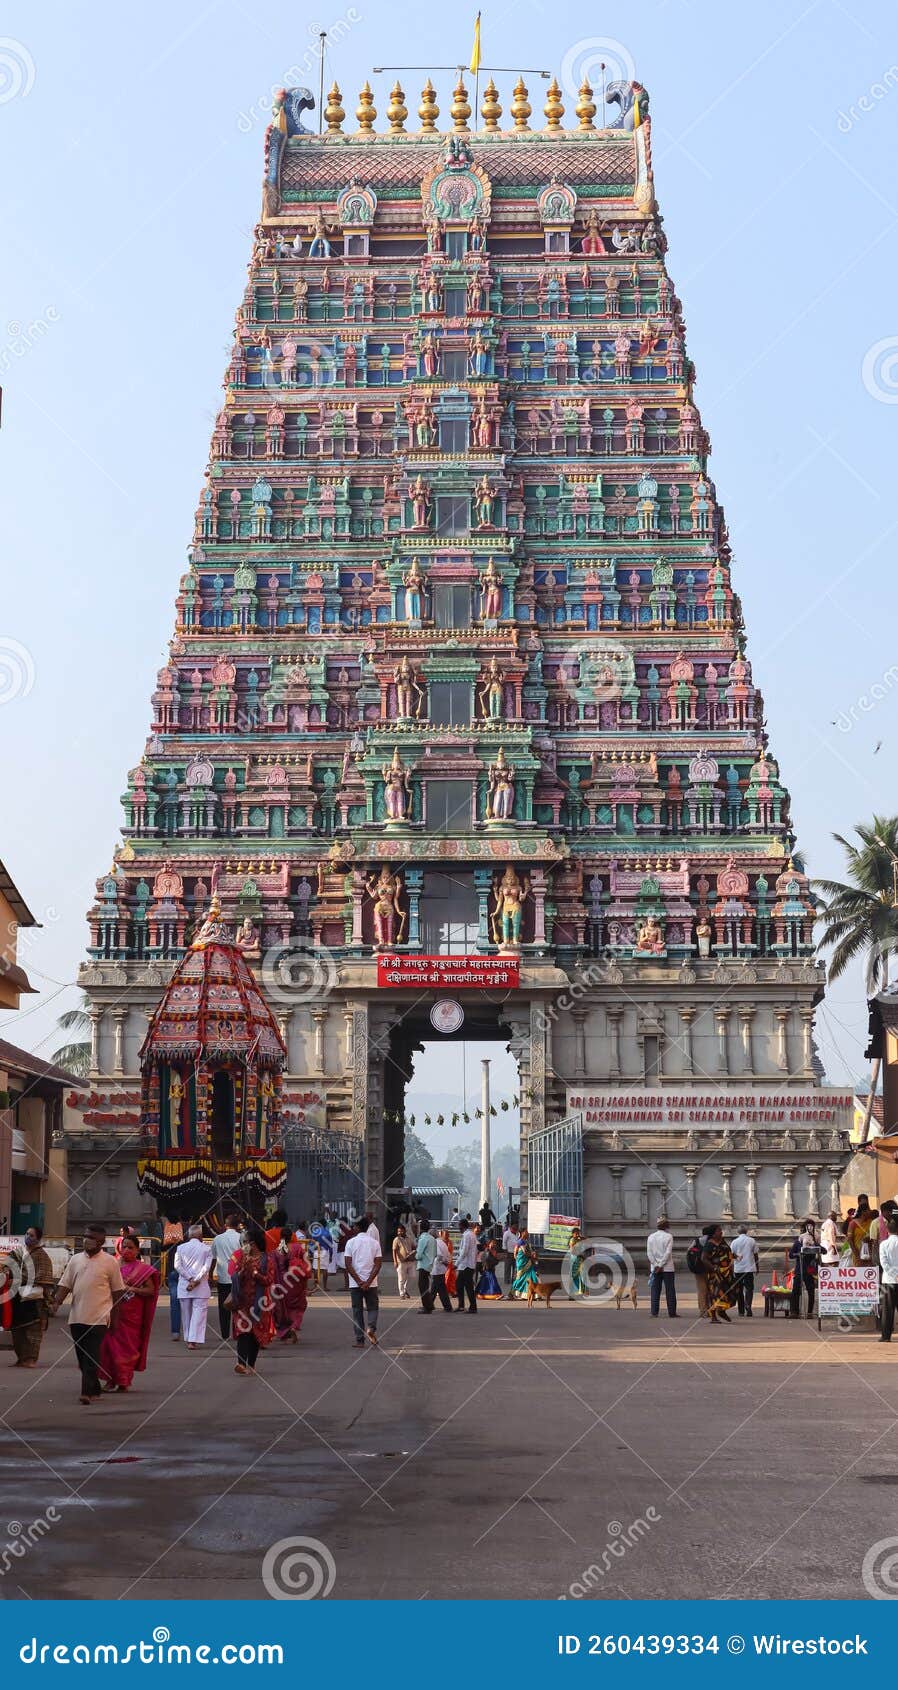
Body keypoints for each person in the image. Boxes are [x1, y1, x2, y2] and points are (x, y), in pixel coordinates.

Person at [49, 1225, 125, 1404]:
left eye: (91, 1237)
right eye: (85, 1236)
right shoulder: (75, 1260)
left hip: (99, 1318)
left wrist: (115, 1319)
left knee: (91, 1354)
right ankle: (95, 1388)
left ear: (101, 1241)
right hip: (77, 1317)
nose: (86, 1240)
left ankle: (86, 1393)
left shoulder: (110, 1262)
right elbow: (65, 1284)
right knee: (82, 1356)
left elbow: (118, 1292)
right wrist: (56, 1302)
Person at [98, 1233, 160, 1392]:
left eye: (130, 1247)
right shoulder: (112, 1265)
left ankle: (123, 1381)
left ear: (137, 1250)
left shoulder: (143, 1270)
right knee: (108, 1347)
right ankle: (110, 1381)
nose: (126, 1250)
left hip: (132, 1316)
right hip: (111, 1312)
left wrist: (131, 1289)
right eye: (124, 1246)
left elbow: (150, 1290)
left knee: (125, 1349)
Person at [6, 1225, 54, 1367]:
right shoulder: (18, 1252)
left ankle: (31, 1359)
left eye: (31, 1235)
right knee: (17, 1329)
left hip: (34, 1300)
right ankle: (21, 1358)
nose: (28, 1237)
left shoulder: (41, 1256)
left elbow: (43, 1277)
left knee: (33, 1331)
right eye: (27, 1234)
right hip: (17, 1298)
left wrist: (16, 1280)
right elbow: (7, 1266)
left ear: (38, 1238)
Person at [231, 1225, 276, 1375]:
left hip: (259, 1303)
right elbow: (235, 1276)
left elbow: (268, 1280)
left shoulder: (266, 1260)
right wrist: (243, 1271)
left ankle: (251, 1364)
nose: (245, 1245)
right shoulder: (243, 1258)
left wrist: (255, 1273)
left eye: (247, 1242)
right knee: (243, 1331)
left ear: (254, 1243)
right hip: (242, 1302)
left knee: (255, 1333)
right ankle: (240, 1363)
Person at [174, 1224, 213, 1348]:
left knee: (186, 1314)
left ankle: (189, 1338)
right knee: (198, 1313)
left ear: (189, 1235)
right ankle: (193, 1340)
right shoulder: (207, 1249)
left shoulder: (180, 1248)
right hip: (200, 1286)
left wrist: (190, 1278)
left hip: (185, 1285)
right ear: (201, 1236)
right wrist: (196, 1280)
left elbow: (177, 1266)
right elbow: (206, 1268)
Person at [344, 1221, 381, 1347]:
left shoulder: (351, 1242)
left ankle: (360, 1340)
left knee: (357, 1310)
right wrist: (368, 1281)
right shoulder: (374, 1243)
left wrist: (359, 1281)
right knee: (373, 1307)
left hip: (355, 1284)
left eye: (354, 1226)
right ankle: (371, 1328)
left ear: (358, 1228)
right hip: (371, 1283)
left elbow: (348, 1264)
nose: (353, 1228)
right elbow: (378, 1264)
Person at [275, 1227, 313, 1343]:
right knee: (300, 1306)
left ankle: (284, 1332)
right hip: (296, 1281)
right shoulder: (298, 1247)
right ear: (292, 1237)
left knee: (284, 1308)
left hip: (282, 1282)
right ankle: (294, 1326)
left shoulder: (278, 1250)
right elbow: (306, 1263)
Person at [211, 1212, 242, 1341]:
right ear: (238, 1226)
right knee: (238, 1305)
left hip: (223, 1277)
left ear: (225, 1225)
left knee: (223, 1305)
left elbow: (213, 1258)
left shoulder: (217, 1239)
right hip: (238, 1276)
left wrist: (210, 1274)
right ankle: (237, 1331)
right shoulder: (241, 1238)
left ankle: (224, 1334)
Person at [700, 1225, 737, 1325]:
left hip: (727, 1272)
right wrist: (714, 1268)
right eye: (718, 1231)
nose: (721, 1232)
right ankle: (714, 1317)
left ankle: (721, 1310)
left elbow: (727, 1253)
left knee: (730, 1292)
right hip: (715, 1273)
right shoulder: (709, 1244)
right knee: (715, 1294)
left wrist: (734, 1256)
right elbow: (703, 1258)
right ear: (713, 1234)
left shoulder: (722, 1242)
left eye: (720, 1230)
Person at [646, 1217, 677, 1317]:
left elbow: (649, 1253)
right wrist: (661, 1265)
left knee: (655, 1290)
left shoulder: (651, 1237)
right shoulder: (669, 1236)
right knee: (670, 1290)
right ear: (666, 1226)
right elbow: (668, 1253)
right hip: (668, 1268)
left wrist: (656, 1265)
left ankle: (654, 1312)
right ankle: (672, 1312)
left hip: (655, 1269)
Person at [160, 1216, 184, 1340]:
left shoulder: (168, 1230)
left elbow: (162, 1247)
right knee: (190, 1304)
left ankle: (175, 1332)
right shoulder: (190, 1232)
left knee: (174, 1301)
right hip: (187, 1273)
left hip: (172, 1270)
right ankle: (190, 1333)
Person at [789, 1220, 819, 1318]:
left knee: (811, 1291)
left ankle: (809, 1312)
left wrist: (819, 1249)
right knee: (795, 1291)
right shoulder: (798, 1242)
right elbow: (791, 1255)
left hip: (809, 1270)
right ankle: (794, 1312)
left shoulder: (814, 1241)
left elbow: (822, 1249)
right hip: (799, 1269)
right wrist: (799, 1254)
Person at [730, 1224, 759, 1317]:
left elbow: (731, 1254)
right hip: (749, 1268)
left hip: (738, 1269)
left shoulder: (734, 1242)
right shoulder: (751, 1240)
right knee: (749, 1288)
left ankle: (741, 1310)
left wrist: (736, 1259)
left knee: (739, 1289)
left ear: (738, 1232)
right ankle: (748, 1305)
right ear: (746, 1231)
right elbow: (755, 1254)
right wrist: (757, 1267)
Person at [878, 1214, 898, 1342]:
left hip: (889, 1281)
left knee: (887, 1309)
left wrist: (894, 1275)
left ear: (888, 1230)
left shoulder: (884, 1244)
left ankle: (886, 1336)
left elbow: (884, 1263)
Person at [426, 1229, 454, 1311]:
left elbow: (439, 1255)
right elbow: (448, 1255)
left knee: (434, 1288)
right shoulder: (441, 1242)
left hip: (437, 1268)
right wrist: (446, 1263)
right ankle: (447, 1307)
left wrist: (444, 1262)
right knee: (441, 1289)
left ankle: (429, 1306)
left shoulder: (435, 1242)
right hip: (440, 1269)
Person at [455, 1220, 479, 1311]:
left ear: (462, 1226)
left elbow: (464, 1251)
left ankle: (471, 1306)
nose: (458, 1228)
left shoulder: (467, 1235)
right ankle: (464, 1306)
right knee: (461, 1285)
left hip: (465, 1265)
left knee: (465, 1286)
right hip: (469, 1264)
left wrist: (456, 1263)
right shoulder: (471, 1234)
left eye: (459, 1226)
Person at [847, 1194, 877, 1266]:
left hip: (870, 1254)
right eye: (868, 1210)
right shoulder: (853, 1223)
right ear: (863, 1212)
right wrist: (856, 1254)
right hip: (858, 1254)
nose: (870, 1211)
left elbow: (875, 1237)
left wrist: (869, 1238)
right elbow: (849, 1239)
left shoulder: (872, 1222)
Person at [511, 1229, 539, 1300]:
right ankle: (513, 1293)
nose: (528, 1233)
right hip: (523, 1263)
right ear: (522, 1233)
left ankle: (530, 1294)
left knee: (531, 1277)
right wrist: (532, 1255)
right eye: (526, 1232)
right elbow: (524, 1252)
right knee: (520, 1279)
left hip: (527, 1262)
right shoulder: (520, 1241)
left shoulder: (525, 1241)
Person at [416, 1222, 437, 1311]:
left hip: (423, 1265)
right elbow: (435, 1254)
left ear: (420, 1228)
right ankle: (429, 1305)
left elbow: (419, 1255)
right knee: (425, 1286)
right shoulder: (432, 1239)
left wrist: (415, 1255)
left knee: (422, 1286)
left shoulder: (423, 1238)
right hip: (430, 1265)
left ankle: (427, 1306)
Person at [392, 1224, 414, 1299]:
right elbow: (394, 1250)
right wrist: (395, 1261)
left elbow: (413, 1246)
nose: (399, 1233)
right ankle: (402, 1294)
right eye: (398, 1231)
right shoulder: (396, 1239)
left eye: (401, 1231)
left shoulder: (409, 1238)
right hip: (401, 1262)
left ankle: (405, 1289)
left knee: (412, 1276)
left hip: (410, 1261)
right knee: (401, 1279)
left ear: (404, 1231)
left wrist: (414, 1252)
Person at [565, 1225, 587, 1298]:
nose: (577, 1235)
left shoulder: (579, 1239)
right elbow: (572, 1250)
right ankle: (572, 1294)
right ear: (573, 1234)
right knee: (573, 1276)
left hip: (580, 1259)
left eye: (578, 1233)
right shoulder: (572, 1240)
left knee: (582, 1275)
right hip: (574, 1259)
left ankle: (580, 1292)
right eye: (576, 1234)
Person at [502, 1219, 521, 1289]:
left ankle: (514, 1280)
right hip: (508, 1253)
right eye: (515, 1225)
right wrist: (506, 1252)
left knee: (515, 1267)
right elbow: (504, 1243)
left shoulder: (518, 1233)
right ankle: (507, 1280)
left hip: (516, 1253)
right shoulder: (507, 1233)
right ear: (511, 1226)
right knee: (507, 1268)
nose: (516, 1227)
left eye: (517, 1226)